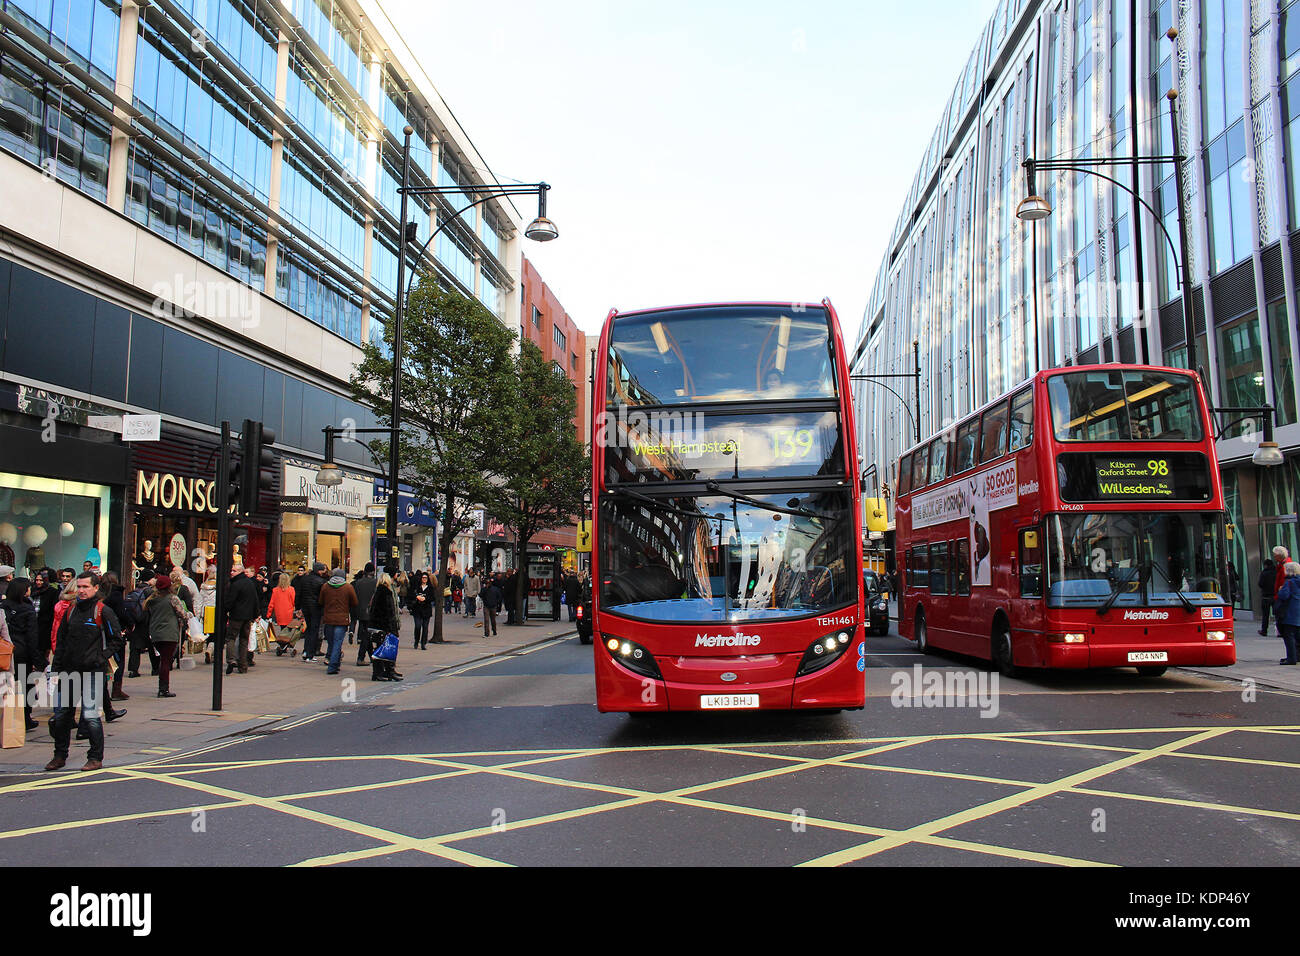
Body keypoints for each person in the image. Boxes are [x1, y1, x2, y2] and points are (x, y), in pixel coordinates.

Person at [46, 572, 121, 772]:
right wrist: (56, 670)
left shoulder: (102, 611)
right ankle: (59, 755)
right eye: (79, 587)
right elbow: (61, 642)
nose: (81, 590)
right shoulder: (70, 611)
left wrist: (100, 657)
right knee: (62, 716)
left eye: (85, 587)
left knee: (91, 717)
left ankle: (95, 758)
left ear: (96, 588)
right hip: (69, 672)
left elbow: (117, 640)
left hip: (92, 672)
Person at [2, 577, 41, 731]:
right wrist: (37, 659)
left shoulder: (2, 606)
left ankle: (7, 717)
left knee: (6, 686)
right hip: (21, 653)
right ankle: (24, 717)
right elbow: (32, 636)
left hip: (4, 652)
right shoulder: (27, 609)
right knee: (25, 686)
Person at [144, 574, 187, 697]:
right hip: (169, 633)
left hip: (155, 633)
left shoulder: (152, 599)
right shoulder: (172, 598)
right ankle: (163, 689)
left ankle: (162, 687)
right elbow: (182, 613)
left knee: (163, 659)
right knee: (166, 661)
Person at [318, 567, 357, 675]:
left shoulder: (325, 586)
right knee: (337, 642)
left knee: (331, 642)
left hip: (328, 618)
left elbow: (320, 601)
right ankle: (333, 666)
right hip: (342, 619)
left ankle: (332, 660)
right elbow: (354, 602)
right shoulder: (348, 587)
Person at [222, 563, 259, 674]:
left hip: (236, 616)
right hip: (247, 616)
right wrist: (255, 614)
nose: (231, 572)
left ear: (240, 571)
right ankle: (243, 665)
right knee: (244, 639)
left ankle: (231, 659)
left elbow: (230, 601)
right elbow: (255, 599)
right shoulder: (249, 583)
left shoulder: (236, 584)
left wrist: (226, 609)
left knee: (231, 638)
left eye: (234, 570)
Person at [368, 572, 402, 682]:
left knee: (379, 650)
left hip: (376, 626)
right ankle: (387, 671)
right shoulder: (386, 593)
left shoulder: (377, 592)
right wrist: (391, 628)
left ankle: (381, 672)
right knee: (387, 650)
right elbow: (388, 612)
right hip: (384, 627)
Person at [296, 562, 326, 663]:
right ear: (319, 570)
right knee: (314, 630)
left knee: (308, 629)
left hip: (305, 606)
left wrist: (298, 607)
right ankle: (310, 654)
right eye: (323, 569)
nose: (324, 571)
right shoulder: (321, 581)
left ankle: (305, 651)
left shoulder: (304, 579)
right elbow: (322, 597)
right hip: (316, 608)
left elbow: (299, 594)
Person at [267, 572, 299, 656]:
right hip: (289, 612)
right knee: (289, 631)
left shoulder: (275, 590)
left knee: (282, 630)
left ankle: (282, 645)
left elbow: (272, 603)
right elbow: (293, 601)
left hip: (279, 613)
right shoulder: (291, 589)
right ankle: (287, 645)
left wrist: (269, 614)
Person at [1275, 561, 1300, 665]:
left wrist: (1280, 590)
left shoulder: (1289, 582)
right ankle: (1297, 656)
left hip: (1290, 613)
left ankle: (1291, 658)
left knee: (1288, 635)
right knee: (1298, 636)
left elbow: (1283, 596)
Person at [352, 563, 377, 664]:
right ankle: (361, 657)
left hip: (360, 611)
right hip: (371, 612)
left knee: (366, 633)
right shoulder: (375, 583)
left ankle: (371, 656)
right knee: (366, 636)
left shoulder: (358, 583)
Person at [409, 571, 435, 649]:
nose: (424, 579)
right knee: (417, 626)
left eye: (426, 578)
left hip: (426, 609)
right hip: (417, 609)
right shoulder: (417, 587)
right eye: (423, 577)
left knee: (425, 627)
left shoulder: (430, 587)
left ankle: (423, 643)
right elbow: (411, 594)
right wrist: (417, 597)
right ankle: (416, 641)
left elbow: (432, 597)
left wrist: (425, 598)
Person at [1258, 555, 1277, 636]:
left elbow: (1260, 584)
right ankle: (1279, 631)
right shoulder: (1277, 572)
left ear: (1265, 565)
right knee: (1277, 614)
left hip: (1266, 596)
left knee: (1265, 615)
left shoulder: (1264, 573)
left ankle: (1264, 630)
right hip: (1275, 596)